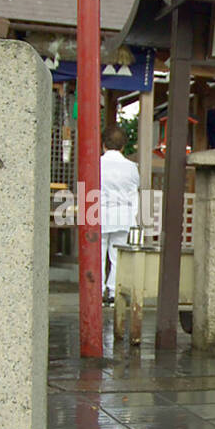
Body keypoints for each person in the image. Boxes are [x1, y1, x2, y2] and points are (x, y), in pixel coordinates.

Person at [99, 124, 140, 304]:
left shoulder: (96, 164)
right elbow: (134, 193)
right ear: (123, 146)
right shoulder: (131, 167)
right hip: (123, 215)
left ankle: (97, 289)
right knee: (117, 256)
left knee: (98, 255)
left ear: (103, 145)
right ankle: (113, 291)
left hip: (98, 213)